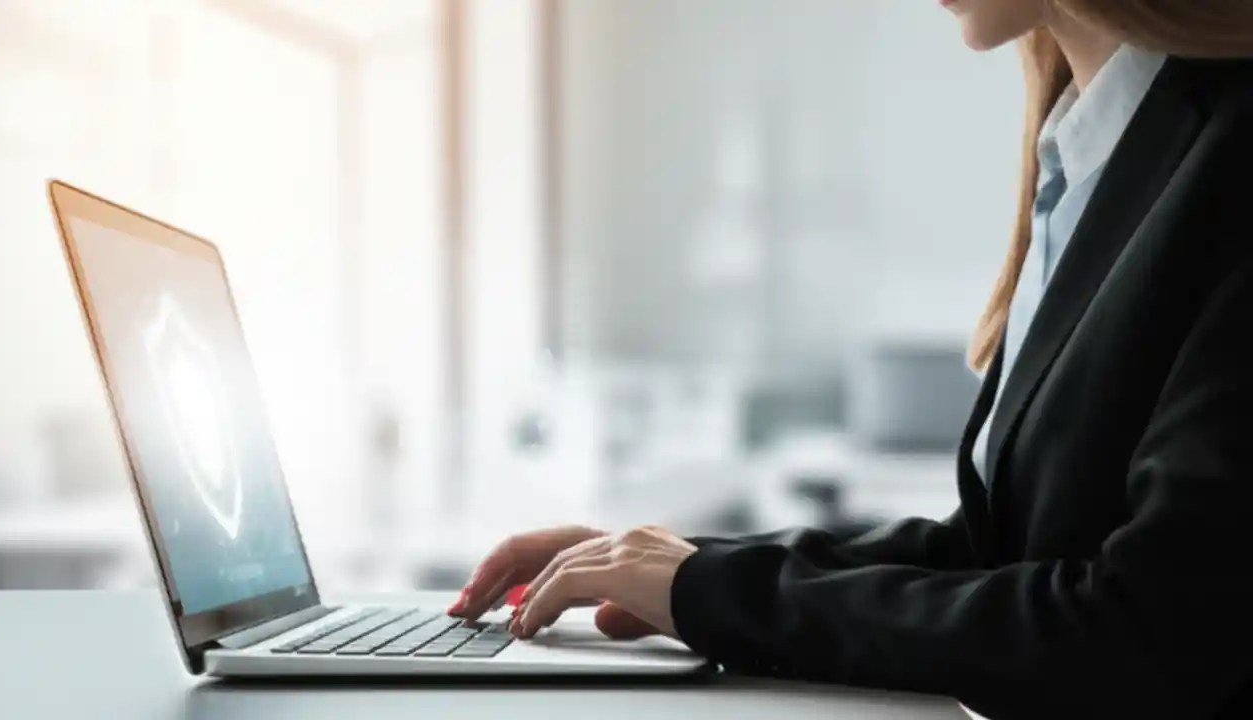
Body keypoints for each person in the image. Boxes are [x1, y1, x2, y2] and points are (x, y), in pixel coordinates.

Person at [450, 2, 1253, 718]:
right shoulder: (1098, 151)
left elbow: (1150, 631)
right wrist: (670, 567)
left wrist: (715, 591)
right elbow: (995, 555)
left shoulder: (1229, 157)